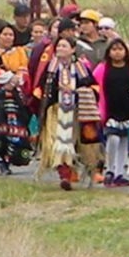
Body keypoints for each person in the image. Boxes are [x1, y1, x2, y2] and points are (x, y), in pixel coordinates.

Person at [36, 36, 101, 190]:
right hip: (55, 111)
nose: (60, 49)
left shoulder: (81, 68)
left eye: (64, 46)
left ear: (73, 49)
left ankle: (77, 171)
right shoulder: (51, 68)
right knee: (55, 143)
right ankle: (64, 175)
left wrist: (75, 92)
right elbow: (40, 88)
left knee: (75, 144)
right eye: (58, 46)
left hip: (76, 112)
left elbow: (94, 89)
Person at [0, 24, 34, 174]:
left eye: (11, 35)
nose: (8, 37)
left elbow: (24, 70)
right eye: (5, 34)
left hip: (13, 96)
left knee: (12, 129)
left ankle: (7, 160)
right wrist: (9, 78)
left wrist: (16, 80)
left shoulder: (20, 52)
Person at [95, 38, 129, 187]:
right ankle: (110, 169)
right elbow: (95, 86)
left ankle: (119, 173)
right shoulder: (103, 69)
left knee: (124, 141)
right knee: (113, 138)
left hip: (127, 109)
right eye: (114, 49)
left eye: (120, 49)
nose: (117, 52)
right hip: (110, 109)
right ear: (109, 52)